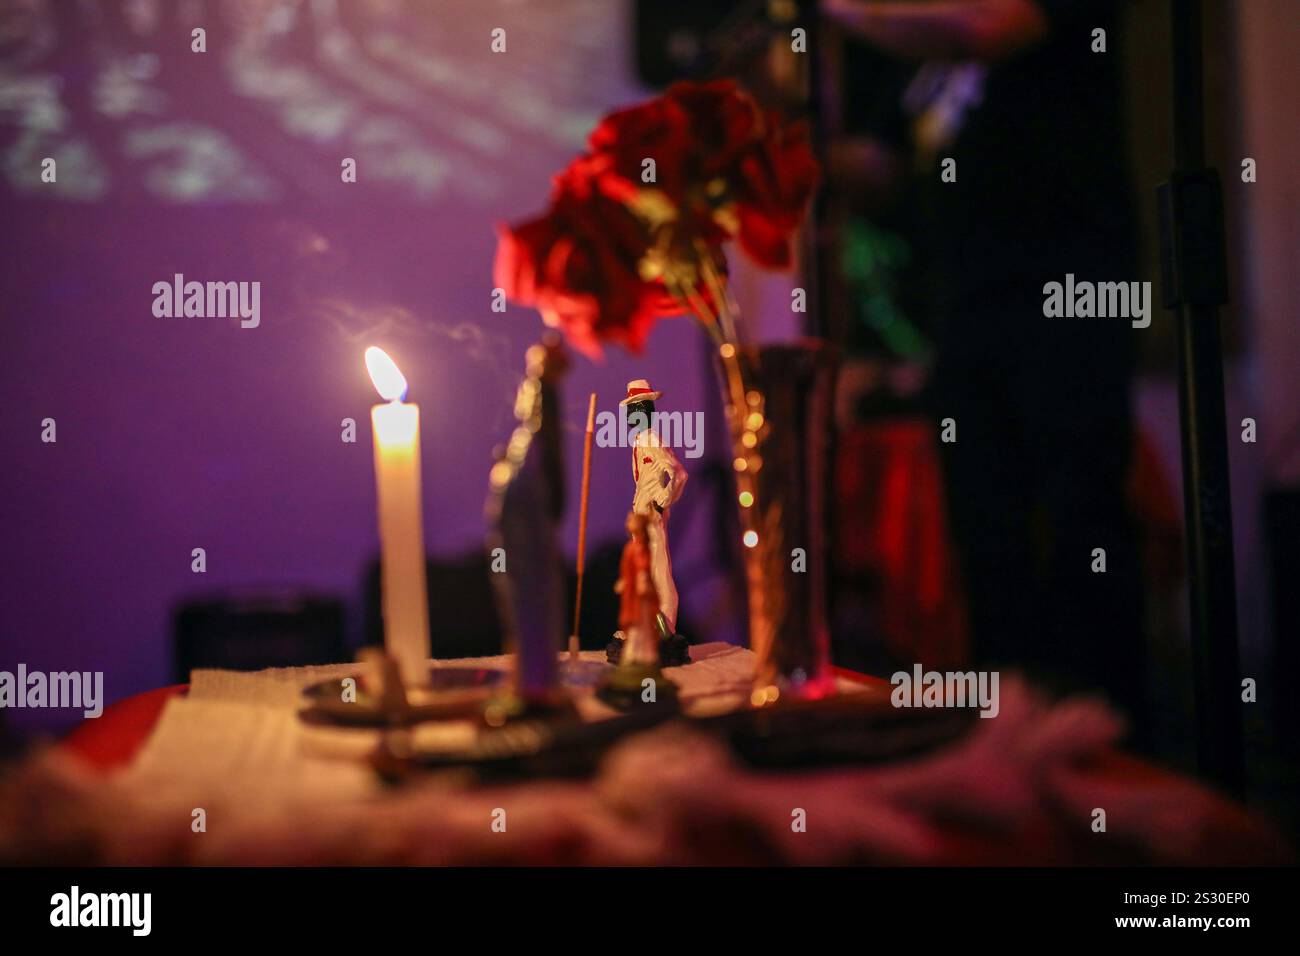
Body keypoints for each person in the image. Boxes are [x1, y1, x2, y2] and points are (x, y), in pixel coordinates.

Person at [823, 0, 1147, 728]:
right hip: (969, 302)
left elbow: (991, 27)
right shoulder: (920, 65)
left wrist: (839, 9)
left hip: (1071, 285)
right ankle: (1017, 737)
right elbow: (880, 168)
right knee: (985, 532)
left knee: (1079, 521)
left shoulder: (972, 20)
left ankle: (1114, 739)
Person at [621, 379, 689, 636]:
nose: (630, 414)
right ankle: (648, 626)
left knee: (659, 568)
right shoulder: (640, 440)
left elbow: (679, 473)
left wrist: (662, 501)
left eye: (635, 408)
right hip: (641, 515)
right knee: (643, 568)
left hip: (651, 514)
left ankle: (667, 627)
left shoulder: (650, 438)